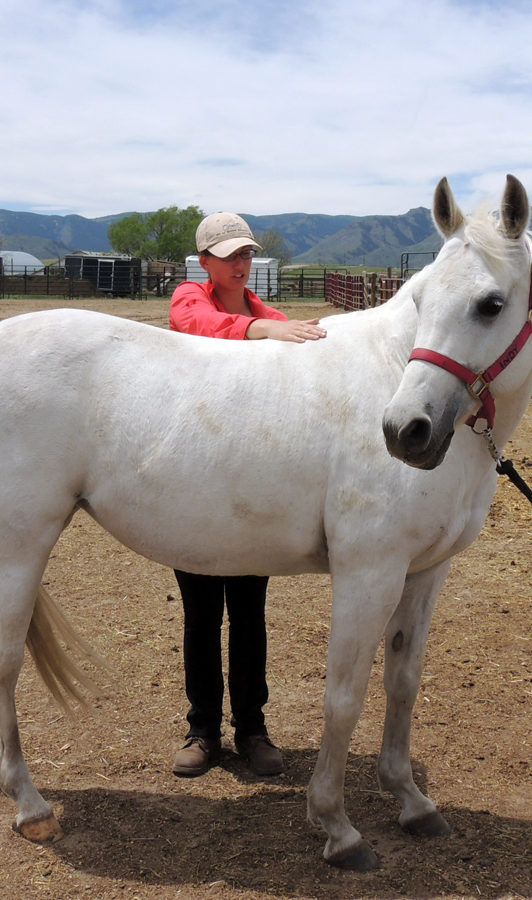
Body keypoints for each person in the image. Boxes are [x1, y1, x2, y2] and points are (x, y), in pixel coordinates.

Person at [168, 212, 327, 778]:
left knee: (250, 614)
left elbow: (300, 347)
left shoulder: (268, 313)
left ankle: (252, 728)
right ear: (206, 260)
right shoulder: (192, 297)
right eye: (230, 254)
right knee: (201, 614)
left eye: (246, 254)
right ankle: (203, 728)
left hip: (253, 483)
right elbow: (197, 327)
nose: (241, 263)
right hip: (200, 481)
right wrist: (265, 333)